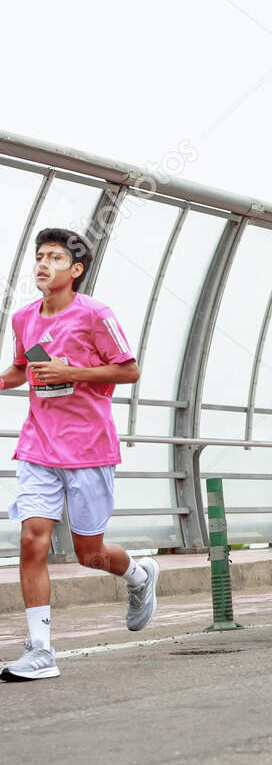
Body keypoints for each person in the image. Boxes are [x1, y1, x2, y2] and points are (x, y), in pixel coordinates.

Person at [2, 229, 150, 682]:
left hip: (88, 449)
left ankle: (140, 577)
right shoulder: (25, 318)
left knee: (89, 554)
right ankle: (40, 650)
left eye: (55, 258)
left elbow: (130, 369)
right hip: (39, 446)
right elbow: (20, 371)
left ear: (76, 270)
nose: (43, 264)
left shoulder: (95, 316)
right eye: (39, 257)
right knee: (33, 539)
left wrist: (73, 371)